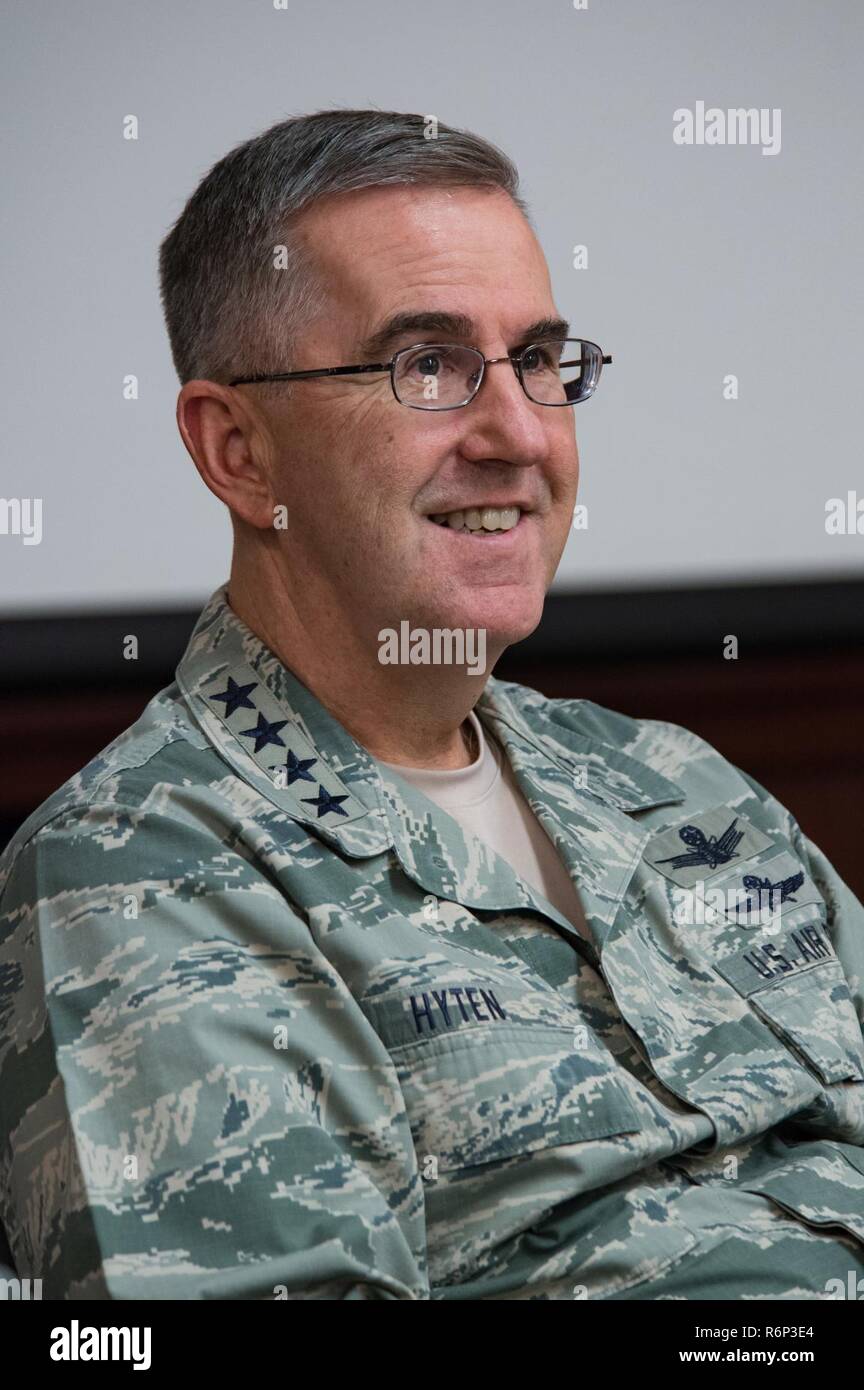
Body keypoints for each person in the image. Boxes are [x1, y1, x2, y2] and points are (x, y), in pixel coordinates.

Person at [1, 109, 862, 1301]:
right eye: (428, 367)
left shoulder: (679, 780)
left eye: (541, 362)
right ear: (239, 451)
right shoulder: (136, 875)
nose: (518, 433)